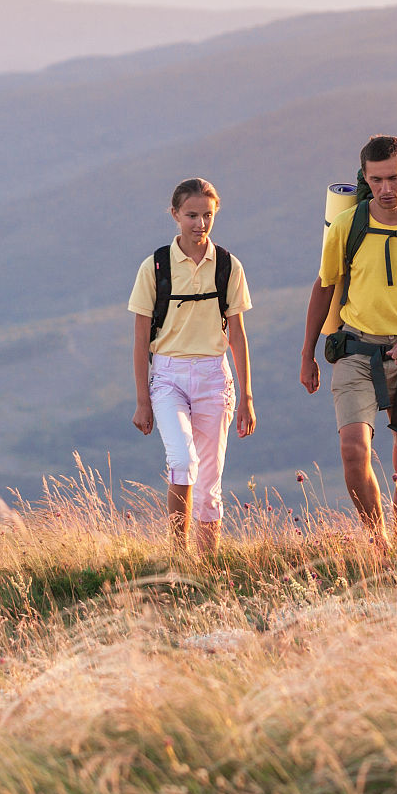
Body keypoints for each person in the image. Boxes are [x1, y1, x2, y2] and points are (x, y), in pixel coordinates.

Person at [301, 135, 397, 544]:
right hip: (355, 348)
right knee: (353, 450)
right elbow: (324, 287)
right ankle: (379, 544)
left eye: (393, 178)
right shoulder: (347, 225)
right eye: (376, 180)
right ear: (365, 179)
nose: (386, 189)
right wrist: (307, 354)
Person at [129, 177, 257, 555]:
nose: (200, 224)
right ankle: (178, 553)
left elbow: (238, 336)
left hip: (214, 377)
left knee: (210, 482)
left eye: (207, 215)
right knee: (182, 461)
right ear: (174, 215)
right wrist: (142, 400)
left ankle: (208, 565)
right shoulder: (155, 267)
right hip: (167, 375)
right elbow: (139, 339)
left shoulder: (229, 267)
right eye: (191, 215)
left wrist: (247, 397)